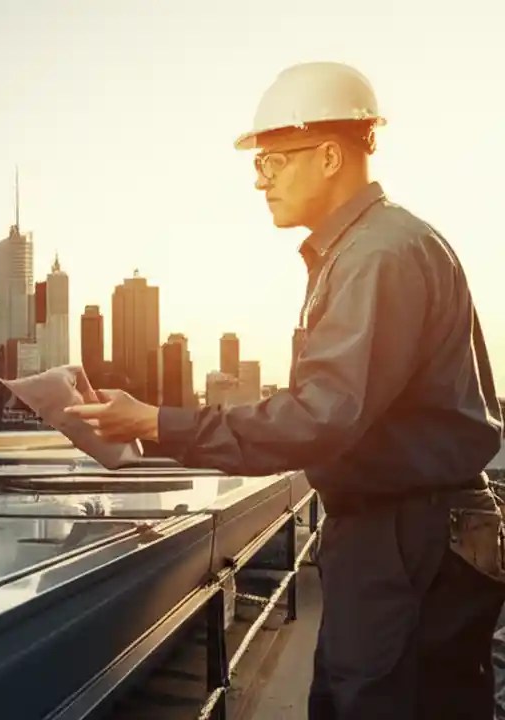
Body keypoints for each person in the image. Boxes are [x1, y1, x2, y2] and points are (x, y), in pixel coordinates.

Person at [65, 61, 505, 719]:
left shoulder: (377, 257)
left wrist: (156, 423)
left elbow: (316, 419)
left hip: (405, 539)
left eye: (275, 161)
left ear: (329, 156)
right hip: (404, 532)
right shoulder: (374, 247)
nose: (260, 180)